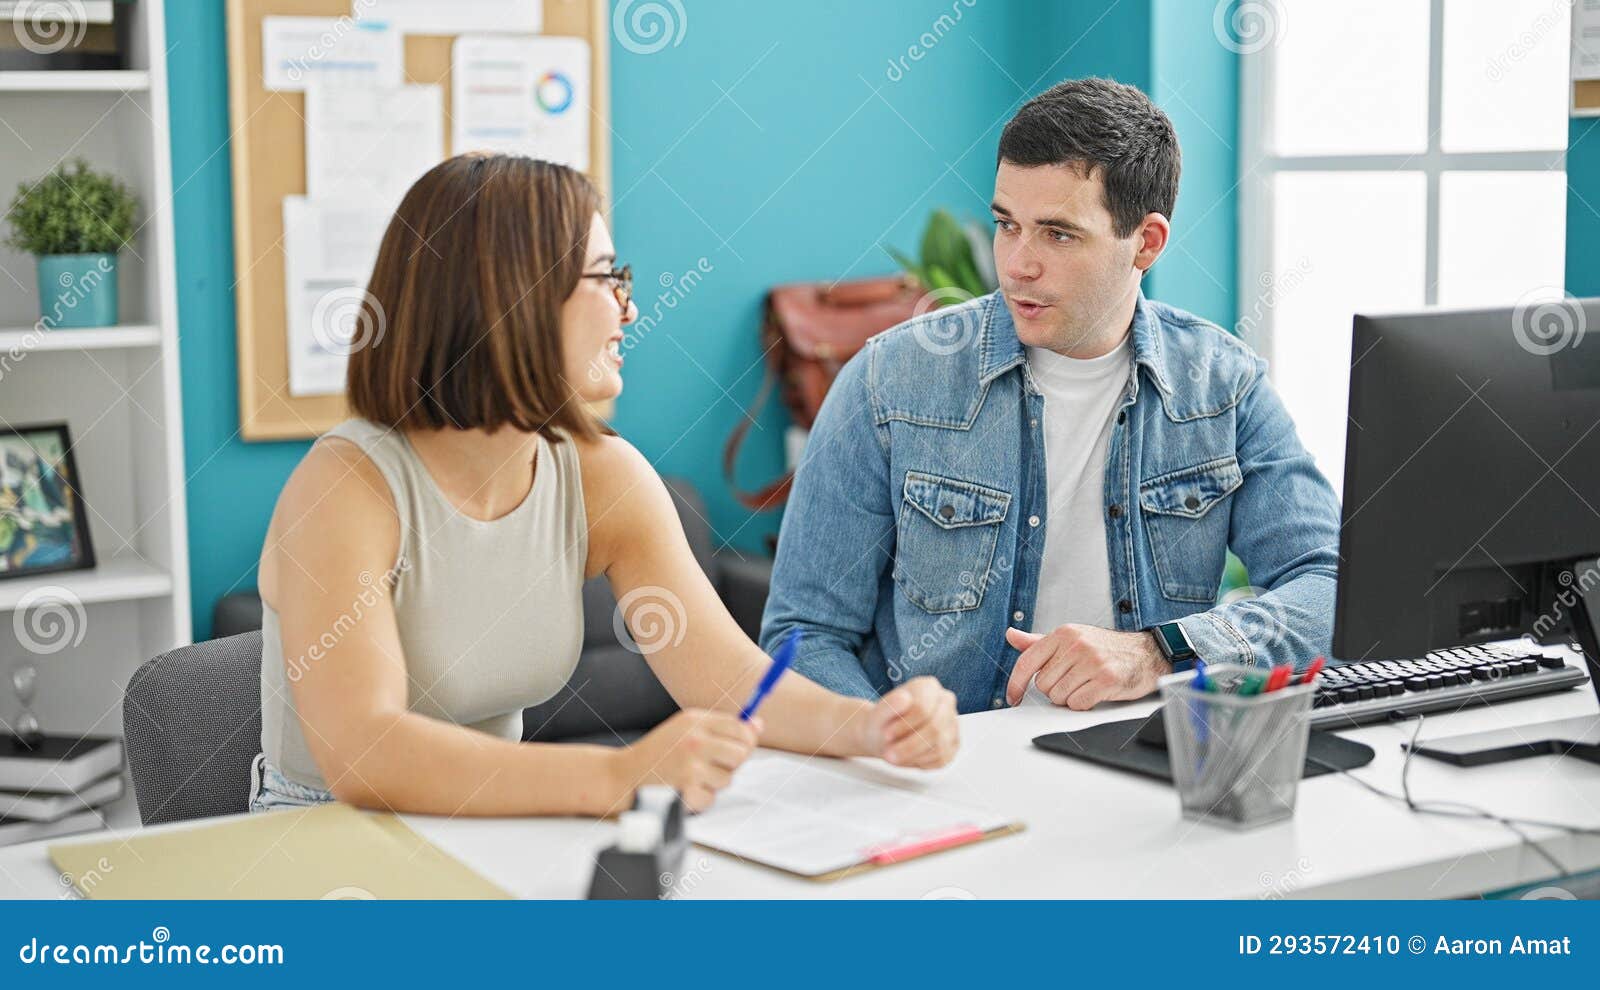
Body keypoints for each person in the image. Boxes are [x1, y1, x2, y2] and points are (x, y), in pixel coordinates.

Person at [251, 153, 959, 816]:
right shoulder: (346, 488)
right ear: (512, 297)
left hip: (494, 823)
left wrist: (871, 728)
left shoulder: (598, 473)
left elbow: (726, 678)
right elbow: (364, 755)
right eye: (605, 278)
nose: (629, 309)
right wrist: (617, 776)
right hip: (325, 834)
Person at [761, 77, 1341, 713]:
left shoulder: (1224, 386)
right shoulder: (889, 383)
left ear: (1146, 242)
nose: (1016, 265)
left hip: (1140, 764)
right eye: (1007, 225)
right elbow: (803, 635)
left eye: (1058, 234)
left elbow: (1328, 583)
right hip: (944, 779)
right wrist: (882, 738)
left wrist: (1159, 650)